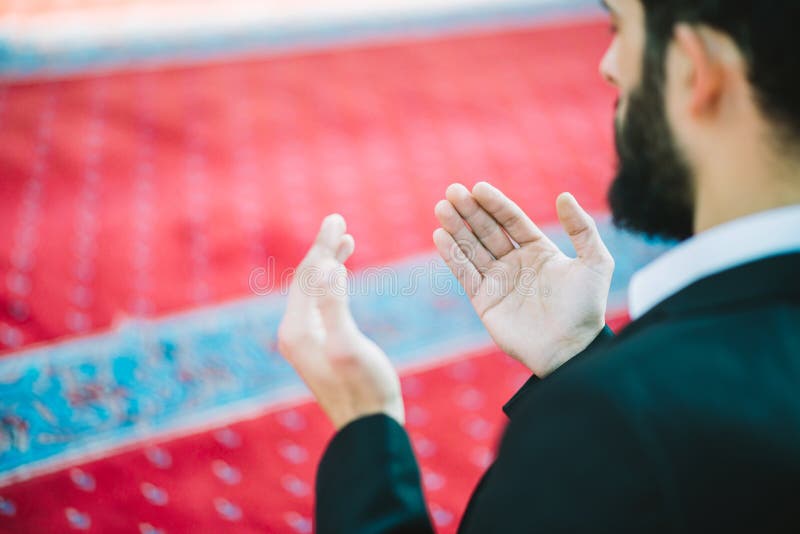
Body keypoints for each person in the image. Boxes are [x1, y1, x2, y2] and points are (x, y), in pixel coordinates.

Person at [277, 0, 800, 531]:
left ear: (697, 67)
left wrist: (365, 425)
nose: (609, 64)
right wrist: (578, 355)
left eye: (618, 27)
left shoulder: (607, 427)